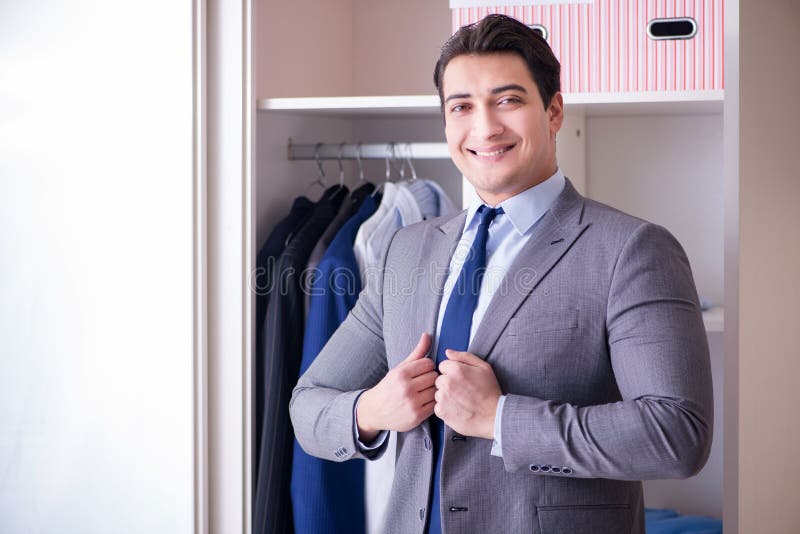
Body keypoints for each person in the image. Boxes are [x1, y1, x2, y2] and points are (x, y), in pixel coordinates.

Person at [290, 14, 713, 534]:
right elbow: (307, 406)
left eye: (508, 100)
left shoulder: (632, 250)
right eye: (461, 106)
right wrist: (371, 410)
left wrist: (500, 418)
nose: (485, 127)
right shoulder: (406, 250)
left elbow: (677, 433)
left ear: (553, 111)